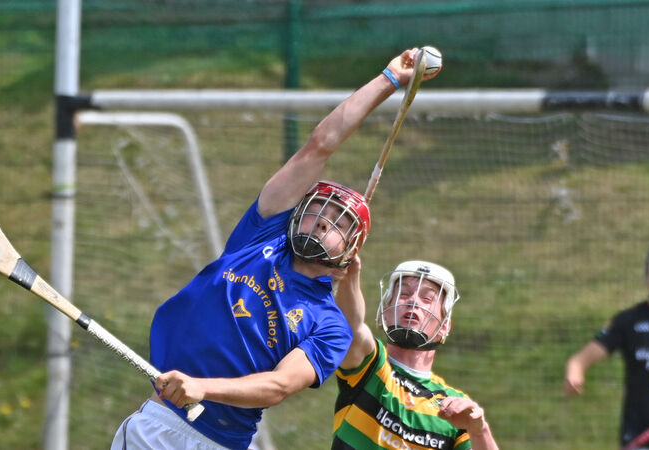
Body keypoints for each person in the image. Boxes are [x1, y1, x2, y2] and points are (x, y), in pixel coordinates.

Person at [110, 47, 440, 450]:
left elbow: (279, 386)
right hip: (162, 429)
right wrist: (388, 80)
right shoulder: (263, 234)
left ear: (352, 250)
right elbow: (320, 145)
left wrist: (203, 388)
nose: (323, 219)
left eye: (338, 222)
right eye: (316, 208)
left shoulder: (329, 325)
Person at [332, 257, 499, 449]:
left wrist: (479, 431)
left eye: (427, 298)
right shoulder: (370, 366)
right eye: (404, 294)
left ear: (445, 326)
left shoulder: (454, 407)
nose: (413, 301)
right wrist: (351, 274)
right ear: (385, 312)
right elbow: (352, 328)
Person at [564, 242, 649, 448]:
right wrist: (575, 371)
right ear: (647, 275)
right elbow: (580, 359)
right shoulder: (628, 320)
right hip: (641, 436)